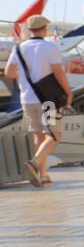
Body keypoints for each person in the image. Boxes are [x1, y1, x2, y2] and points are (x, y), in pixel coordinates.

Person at [2, 14, 73, 187]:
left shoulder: (18, 48)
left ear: (30, 30)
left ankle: (42, 175)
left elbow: (9, 73)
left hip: (27, 100)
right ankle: (34, 163)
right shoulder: (50, 47)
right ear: (44, 29)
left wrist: (25, 79)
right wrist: (68, 93)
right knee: (54, 135)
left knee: (38, 135)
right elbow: (58, 73)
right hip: (47, 100)